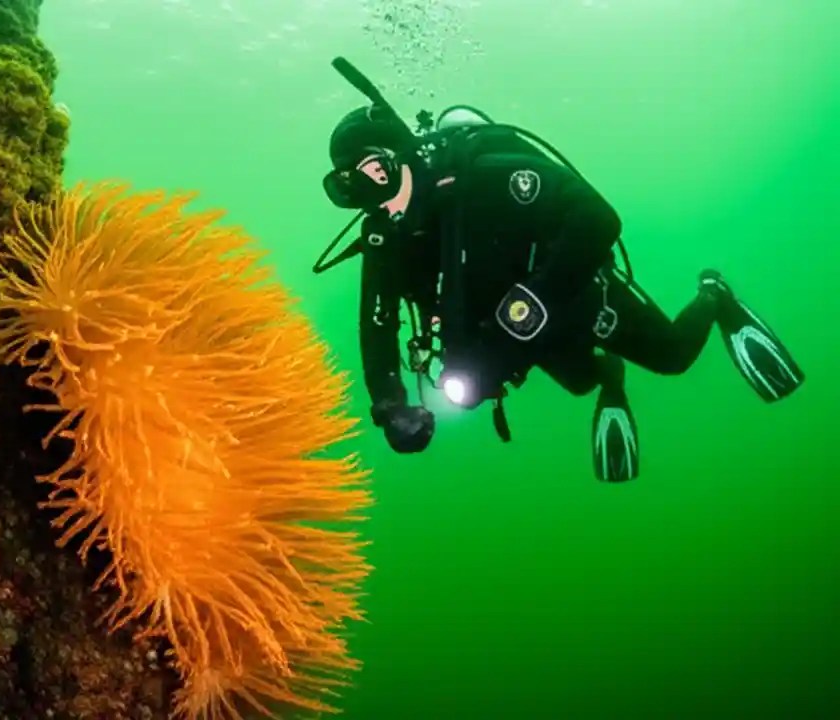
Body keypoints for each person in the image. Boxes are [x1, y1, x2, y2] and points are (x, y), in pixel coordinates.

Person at [314, 58, 805, 482]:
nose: (374, 196)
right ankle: (609, 379)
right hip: (513, 334)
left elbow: (598, 219)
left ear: (400, 155)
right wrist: (390, 404)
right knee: (582, 381)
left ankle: (714, 296)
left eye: (375, 171)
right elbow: (376, 324)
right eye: (351, 189)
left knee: (673, 357)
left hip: (576, 295)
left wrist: (534, 303)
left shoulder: (484, 179)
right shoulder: (386, 239)